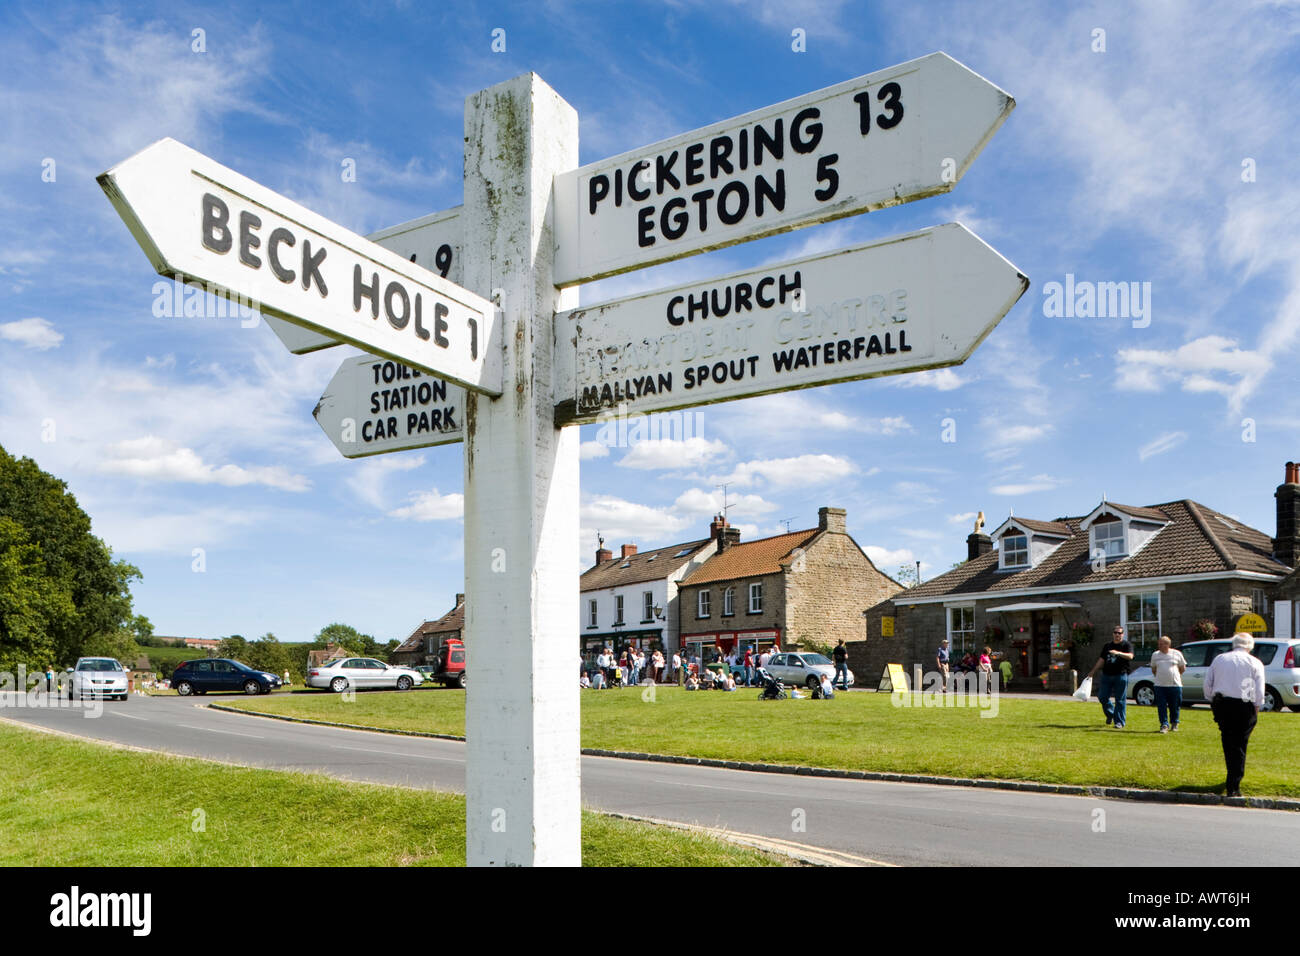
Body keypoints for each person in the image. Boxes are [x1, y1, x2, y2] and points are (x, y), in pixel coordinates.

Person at [1204, 633, 1266, 797]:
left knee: (1228, 740)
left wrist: (1213, 700)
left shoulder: (1219, 659)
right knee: (1240, 743)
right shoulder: (1254, 662)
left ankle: (1232, 777)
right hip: (1244, 704)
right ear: (1250, 646)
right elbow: (1259, 690)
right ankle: (1234, 784)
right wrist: (1256, 707)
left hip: (1223, 704)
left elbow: (1208, 684)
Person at [1087, 626, 1134, 729]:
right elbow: (1101, 659)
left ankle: (1119, 722)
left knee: (1120, 700)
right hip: (1106, 675)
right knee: (1102, 697)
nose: (1117, 635)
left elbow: (1131, 656)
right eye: (1115, 633)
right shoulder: (1107, 646)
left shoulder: (1126, 645)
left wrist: (1118, 653)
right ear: (1113, 634)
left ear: (1123, 634)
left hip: (1121, 675)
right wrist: (1093, 671)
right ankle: (1111, 714)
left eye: (1119, 633)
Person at [1148, 635, 1187, 733]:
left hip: (1175, 685)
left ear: (1168, 644)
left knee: (1175, 706)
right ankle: (1164, 725)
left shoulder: (1177, 654)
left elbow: (1182, 668)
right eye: (1159, 644)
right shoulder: (1155, 655)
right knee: (1161, 706)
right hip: (1160, 686)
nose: (1160, 646)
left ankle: (1174, 723)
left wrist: (1173, 675)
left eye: (1162, 644)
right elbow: (1153, 669)